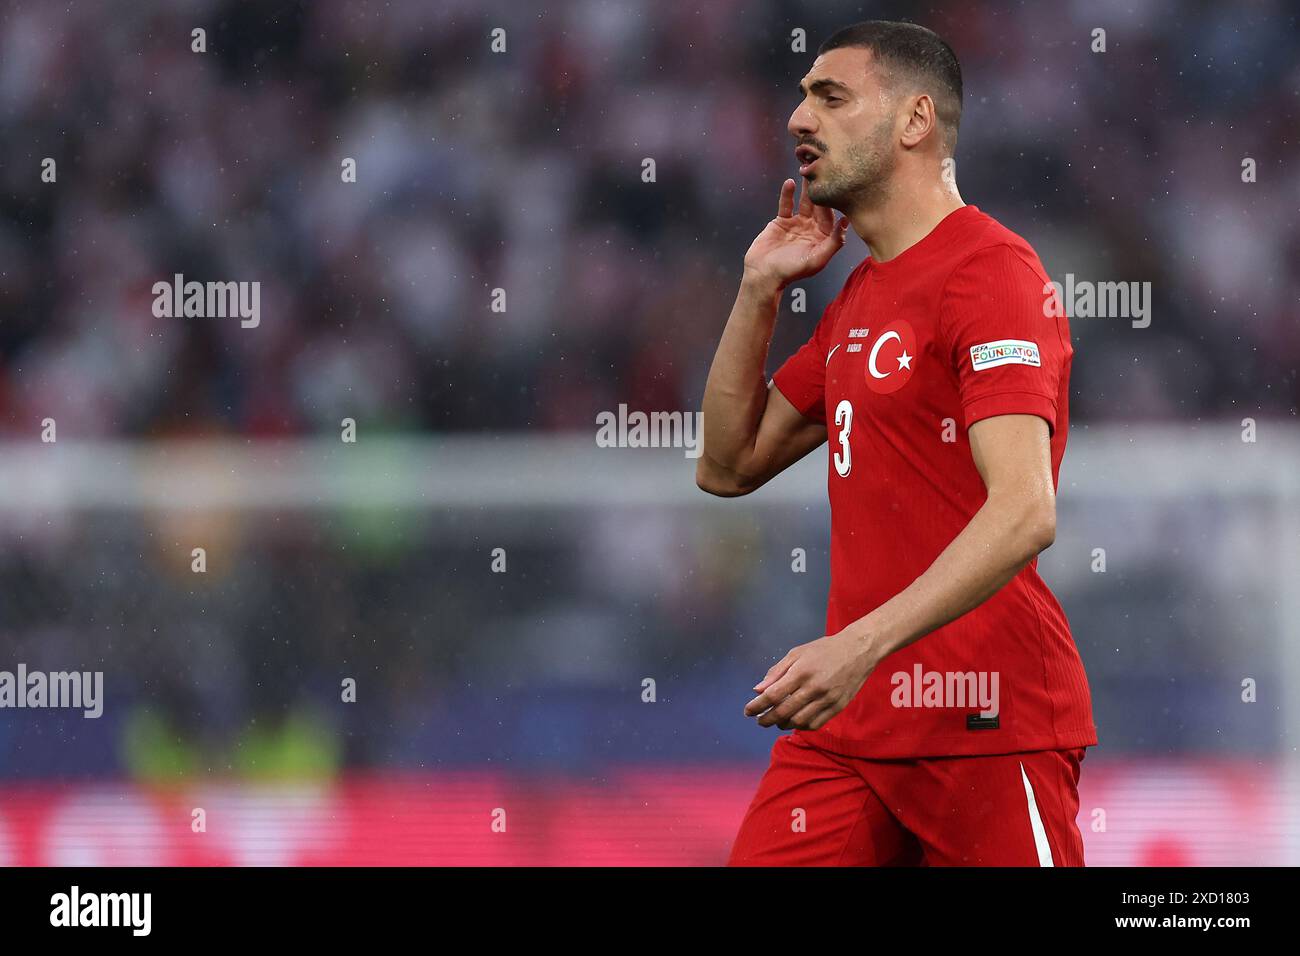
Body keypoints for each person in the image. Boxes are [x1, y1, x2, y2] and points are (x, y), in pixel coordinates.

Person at [696, 20, 1096, 866]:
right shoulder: (860, 297)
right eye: (802, 97)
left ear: (915, 121)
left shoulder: (991, 273)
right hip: (847, 731)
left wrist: (858, 645)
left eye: (830, 96)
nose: (800, 118)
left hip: (985, 723)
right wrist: (758, 289)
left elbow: (1026, 511)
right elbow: (725, 467)